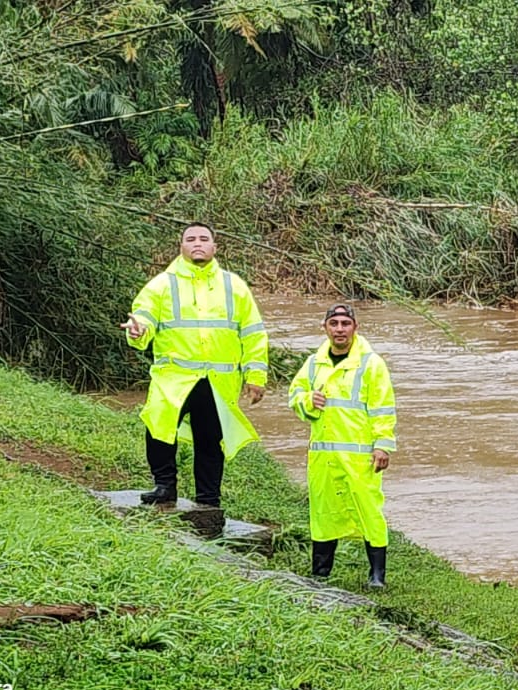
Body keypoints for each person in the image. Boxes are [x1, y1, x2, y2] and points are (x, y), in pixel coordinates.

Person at [120, 222, 269, 507]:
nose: (197, 243)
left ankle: (208, 498)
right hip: (173, 378)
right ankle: (164, 486)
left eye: (204, 239)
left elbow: (252, 333)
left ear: (215, 247)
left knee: (210, 439)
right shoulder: (162, 284)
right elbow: (144, 318)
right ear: (181, 247)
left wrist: (256, 376)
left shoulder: (233, 285)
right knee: (159, 428)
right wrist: (137, 331)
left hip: (217, 380)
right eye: (191, 239)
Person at [288, 303, 397, 588]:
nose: (339, 329)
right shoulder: (313, 364)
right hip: (323, 456)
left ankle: (377, 576)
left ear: (355, 328)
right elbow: (294, 395)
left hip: (360, 457)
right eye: (334, 323)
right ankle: (320, 573)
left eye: (345, 324)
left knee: (369, 512)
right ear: (325, 328)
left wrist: (383, 445)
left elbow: (383, 407)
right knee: (323, 513)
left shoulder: (371, 364)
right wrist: (308, 401)